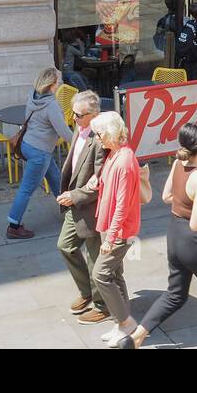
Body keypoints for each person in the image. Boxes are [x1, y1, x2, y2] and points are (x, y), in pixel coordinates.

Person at [124, 122, 197, 349]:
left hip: (173, 235)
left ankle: (137, 336)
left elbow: (166, 197)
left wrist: (196, 198)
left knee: (176, 293)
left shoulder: (176, 164)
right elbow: (196, 224)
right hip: (193, 243)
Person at [88, 110, 143, 348]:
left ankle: (127, 322)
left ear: (110, 132)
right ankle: (122, 324)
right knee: (114, 274)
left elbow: (122, 204)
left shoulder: (124, 161)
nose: (96, 139)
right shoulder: (116, 155)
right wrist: (96, 180)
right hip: (109, 225)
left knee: (100, 274)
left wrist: (110, 238)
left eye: (99, 134)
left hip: (118, 230)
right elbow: (109, 185)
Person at [56, 90, 108, 325]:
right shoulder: (80, 127)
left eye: (78, 115)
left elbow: (100, 182)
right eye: (73, 114)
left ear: (93, 114)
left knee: (95, 257)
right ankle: (86, 291)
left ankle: (102, 305)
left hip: (91, 207)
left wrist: (75, 195)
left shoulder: (101, 139)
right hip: (73, 204)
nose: (73, 118)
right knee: (65, 246)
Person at [6, 67, 74, 241]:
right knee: (26, 189)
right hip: (40, 152)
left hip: (28, 145)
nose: (58, 84)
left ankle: (70, 213)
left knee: (57, 179)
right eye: (57, 82)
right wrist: (82, 140)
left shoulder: (32, 96)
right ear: (51, 85)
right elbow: (64, 133)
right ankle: (13, 226)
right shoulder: (51, 105)